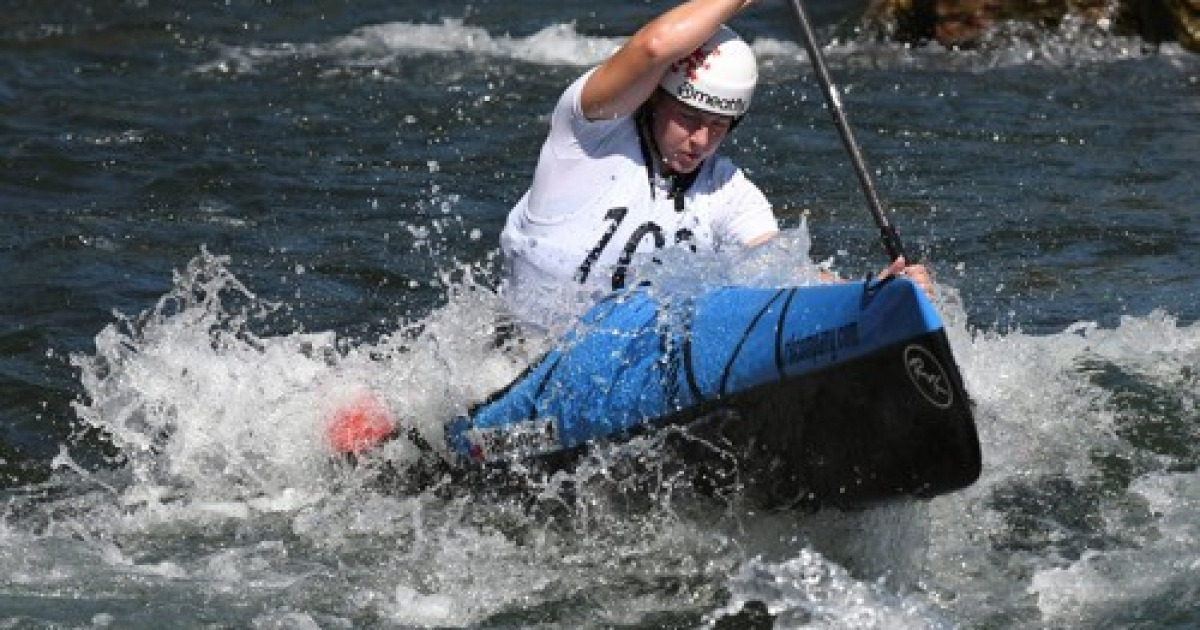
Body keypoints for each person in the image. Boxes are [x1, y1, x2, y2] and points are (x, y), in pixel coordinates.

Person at [499, 0, 931, 330]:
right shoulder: (588, 132)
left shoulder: (730, 191)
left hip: (620, 362)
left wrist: (874, 294)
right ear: (652, 98)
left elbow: (781, 271)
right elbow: (653, 46)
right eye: (687, 118)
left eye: (718, 126)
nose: (700, 140)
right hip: (522, 353)